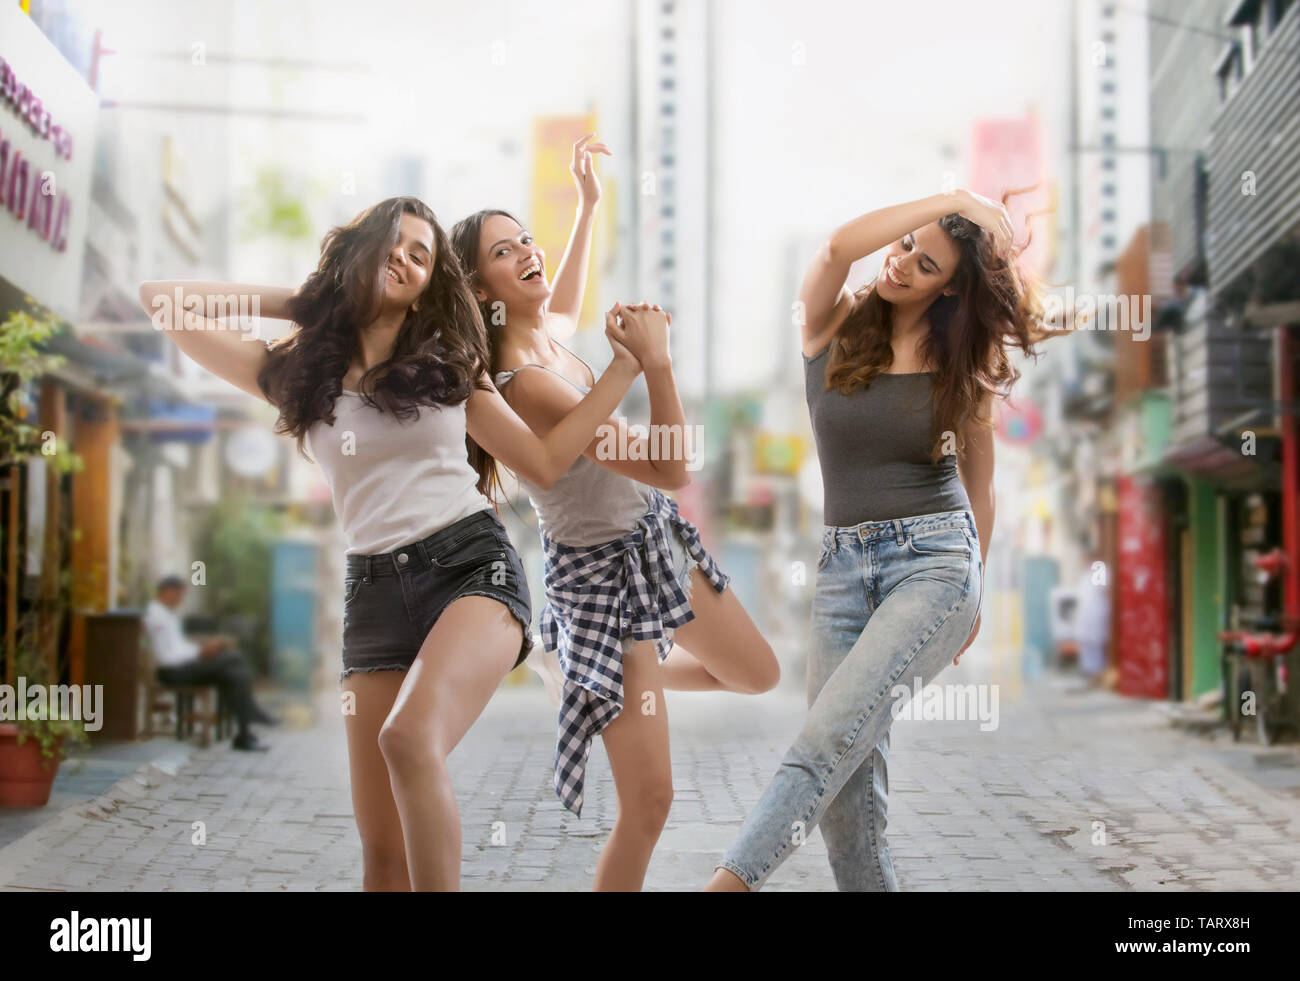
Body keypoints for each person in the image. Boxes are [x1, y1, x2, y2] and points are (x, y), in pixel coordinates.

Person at [139, 195, 664, 891]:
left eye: (422, 254)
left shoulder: (450, 368)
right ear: (356, 257)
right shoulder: (300, 372)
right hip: (373, 594)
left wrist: (626, 371)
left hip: (470, 571)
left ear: (426, 289)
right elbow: (161, 302)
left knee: (408, 739)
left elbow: (543, 461)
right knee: (382, 859)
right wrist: (305, 302)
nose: (407, 259)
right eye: (393, 244)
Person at [704, 187, 1062, 892]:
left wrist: (976, 590)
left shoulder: (961, 362)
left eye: (925, 263)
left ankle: (728, 883)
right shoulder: (829, 323)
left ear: (950, 286)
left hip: (935, 561)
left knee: (823, 741)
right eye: (904, 246)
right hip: (841, 571)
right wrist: (955, 198)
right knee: (844, 805)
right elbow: (837, 248)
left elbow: (981, 486)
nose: (900, 264)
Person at [450, 136, 779, 891]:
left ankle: (605, 679)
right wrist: (651, 361)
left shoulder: (550, 339)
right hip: (600, 580)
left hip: (656, 540)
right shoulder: (522, 381)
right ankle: (597, 668)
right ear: (481, 287)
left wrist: (589, 202)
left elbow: (562, 298)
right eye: (507, 250)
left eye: (527, 237)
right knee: (649, 803)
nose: (530, 251)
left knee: (758, 673)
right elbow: (670, 464)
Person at [142, 575, 275, 751]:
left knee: (234, 675)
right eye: (180, 595)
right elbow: (166, 657)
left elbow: (178, 647)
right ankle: (252, 715)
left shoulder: (168, 615)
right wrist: (200, 652)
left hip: (182, 666)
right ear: (168, 591)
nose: (181, 599)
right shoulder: (155, 616)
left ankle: (244, 735)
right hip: (172, 673)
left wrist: (201, 651)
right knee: (233, 658)